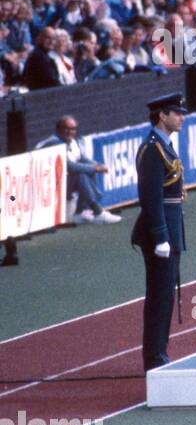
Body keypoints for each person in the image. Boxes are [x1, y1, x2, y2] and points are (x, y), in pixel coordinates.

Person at [131, 93, 187, 372]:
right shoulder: (152, 149)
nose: (181, 118)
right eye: (176, 113)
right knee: (159, 296)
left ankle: (159, 352)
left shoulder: (164, 145)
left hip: (172, 228)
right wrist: (161, 236)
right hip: (159, 233)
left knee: (166, 295)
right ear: (162, 116)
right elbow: (151, 197)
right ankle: (154, 357)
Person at [36, 115, 119, 223]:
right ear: (58, 129)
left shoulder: (72, 141)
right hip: (46, 187)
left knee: (88, 172)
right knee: (81, 174)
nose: (70, 132)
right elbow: (70, 166)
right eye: (66, 128)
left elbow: (81, 158)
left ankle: (80, 212)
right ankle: (98, 211)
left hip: (61, 183)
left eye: (73, 129)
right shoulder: (54, 143)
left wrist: (98, 165)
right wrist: (95, 168)